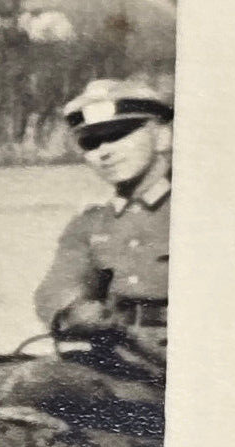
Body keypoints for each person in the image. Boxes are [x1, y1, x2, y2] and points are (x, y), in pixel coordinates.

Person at [32, 79, 171, 391]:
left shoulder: (200, 213)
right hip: (119, 363)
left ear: (163, 136)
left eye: (118, 134)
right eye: (91, 143)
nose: (104, 152)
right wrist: (72, 311)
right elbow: (57, 287)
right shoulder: (92, 223)